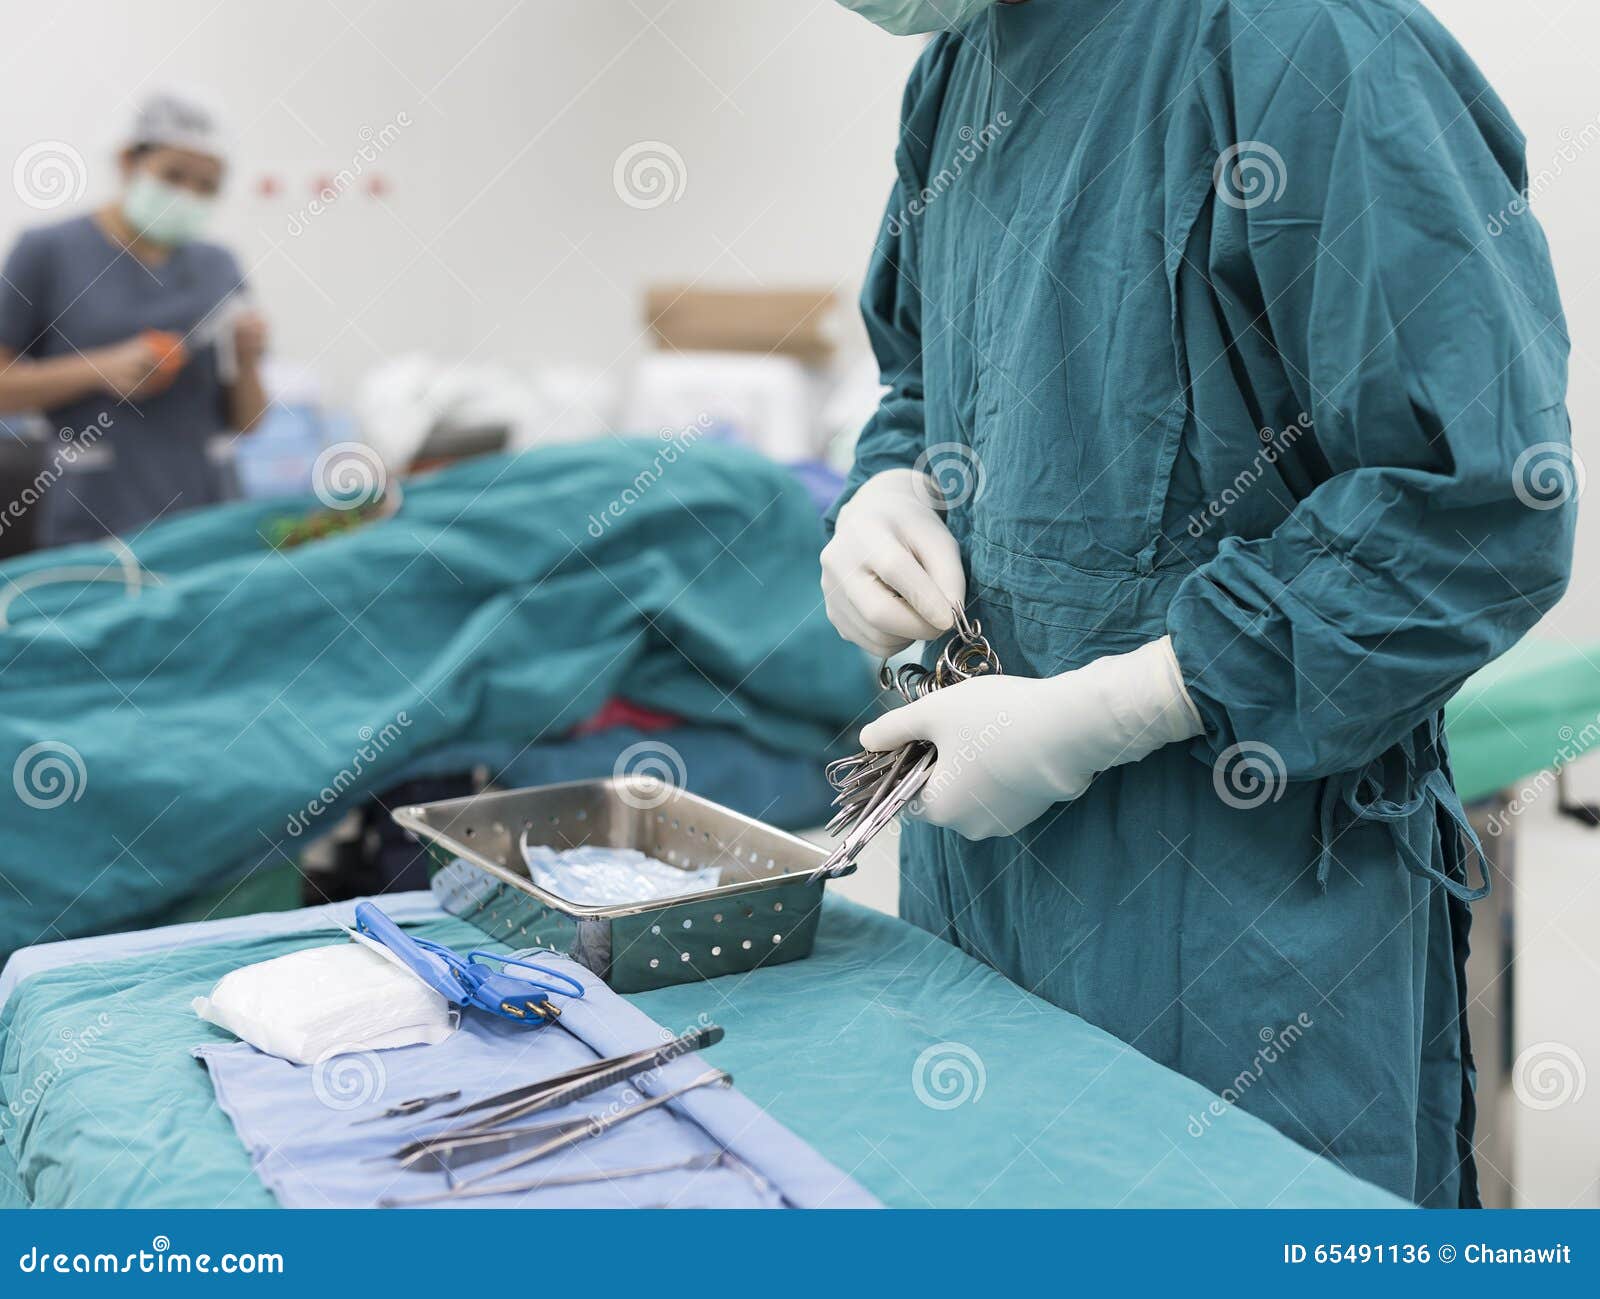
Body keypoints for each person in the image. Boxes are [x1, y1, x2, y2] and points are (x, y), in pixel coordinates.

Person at [822, 0, 1575, 1207]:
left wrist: (1120, 704)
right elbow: (919, 372)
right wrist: (887, 486)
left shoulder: (1303, 42)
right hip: (981, 905)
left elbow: (1476, 511)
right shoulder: (962, 64)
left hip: (1236, 947)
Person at [0, 89, 268, 548]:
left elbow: (248, 422)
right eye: (174, 175)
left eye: (206, 186)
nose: (188, 195)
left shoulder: (218, 265)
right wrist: (99, 369)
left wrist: (246, 360)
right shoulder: (47, 251)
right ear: (128, 162)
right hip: (94, 515)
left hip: (206, 512)